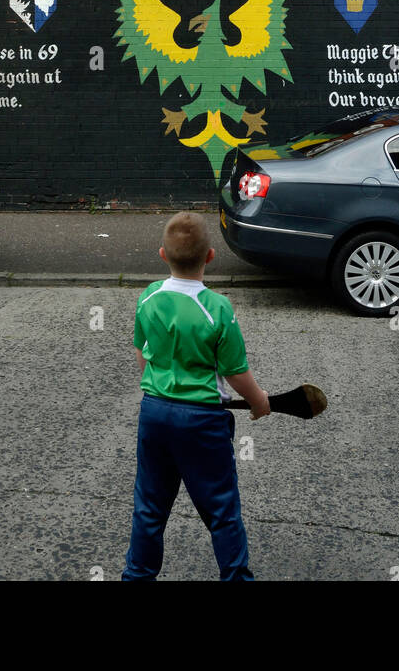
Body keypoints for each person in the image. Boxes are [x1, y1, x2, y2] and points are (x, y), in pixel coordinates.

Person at [122, 212, 270, 582]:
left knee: (150, 508)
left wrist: (162, 389)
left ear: (162, 254)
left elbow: (143, 354)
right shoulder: (217, 308)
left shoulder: (149, 297)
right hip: (202, 420)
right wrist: (259, 401)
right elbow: (235, 372)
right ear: (210, 257)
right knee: (221, 510)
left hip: (154, 413)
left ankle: (137, 577)